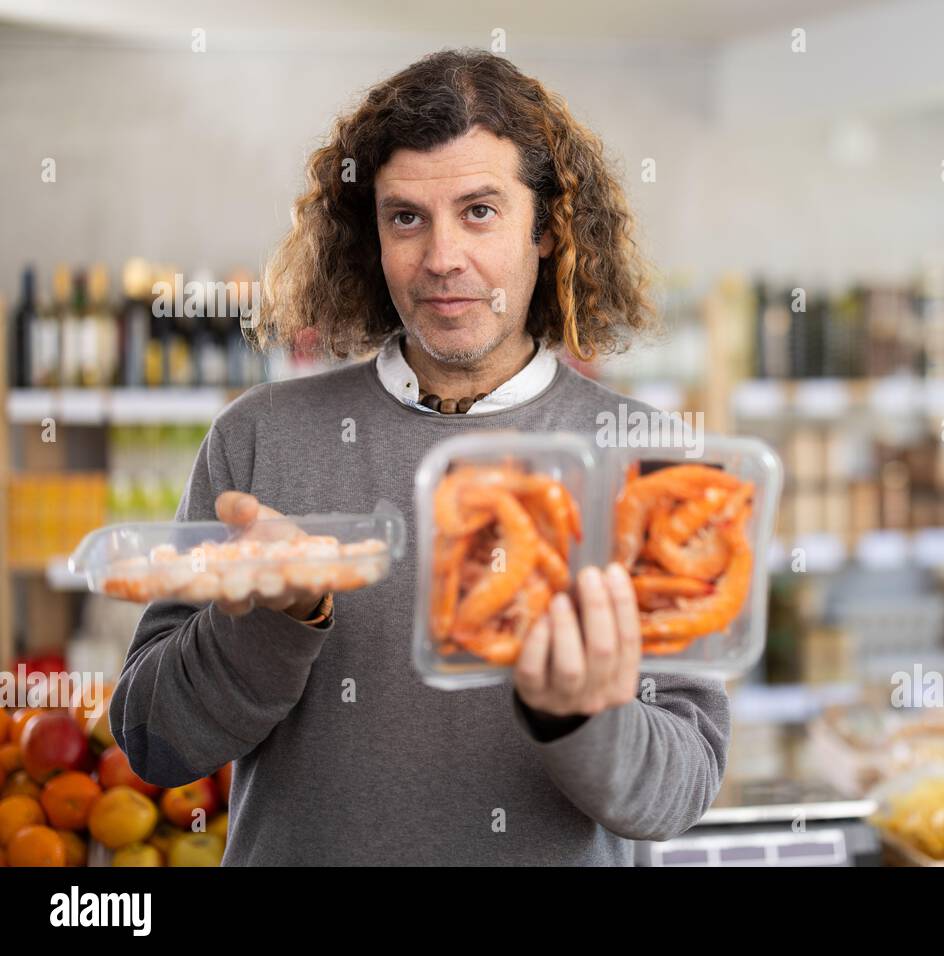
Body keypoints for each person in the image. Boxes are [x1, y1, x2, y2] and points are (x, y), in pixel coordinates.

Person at [109, 48, 730, 866]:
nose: (441, 258)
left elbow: (679, 792)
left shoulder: (651, 460)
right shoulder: (258, 439)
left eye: (479, 212)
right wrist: (272, 622)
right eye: (407, 217)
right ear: (371, 236)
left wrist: (581, 714)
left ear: (548, 228)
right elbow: (154, 742)